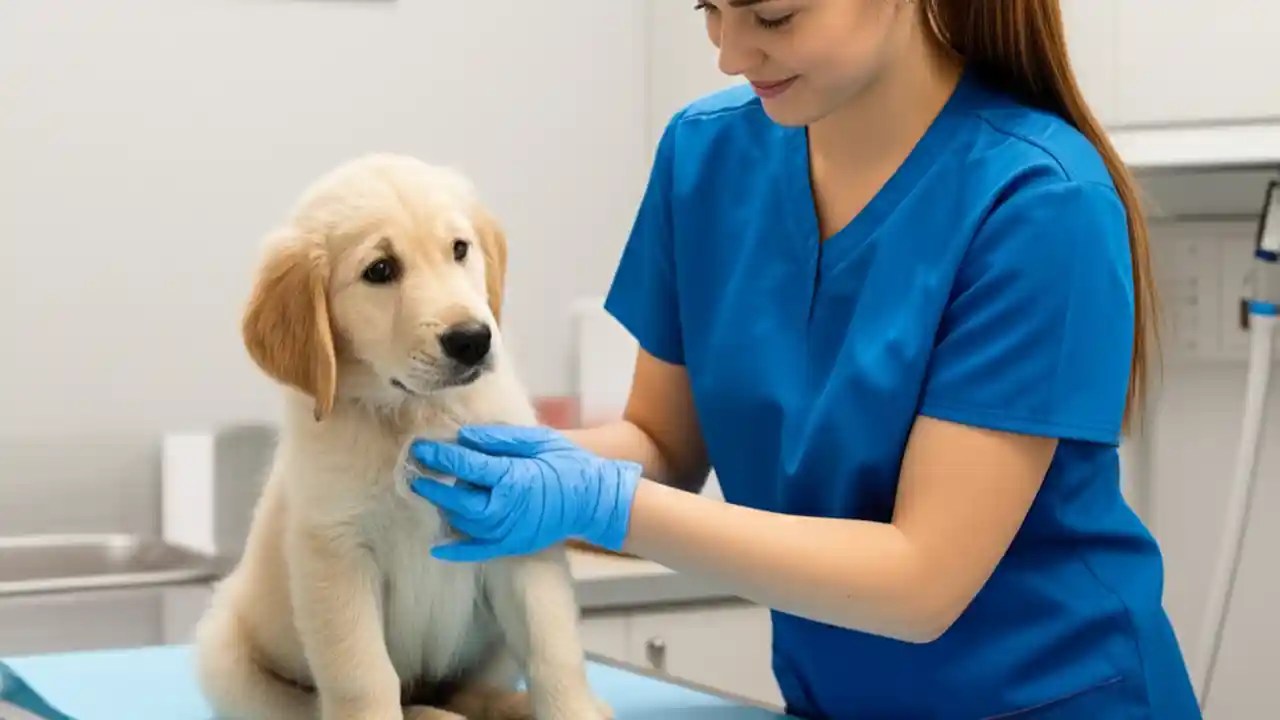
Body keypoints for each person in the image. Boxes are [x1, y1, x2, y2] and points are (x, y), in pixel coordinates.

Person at [407, 1, 1203, 717]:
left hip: (1051, 700)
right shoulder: (705, 155)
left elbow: (920, 581)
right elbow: (662, 447)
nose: (730, 52)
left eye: (774, 16)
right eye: (710, 11)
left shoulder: (1039, 201)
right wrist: (482, 467)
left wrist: (600, 503)